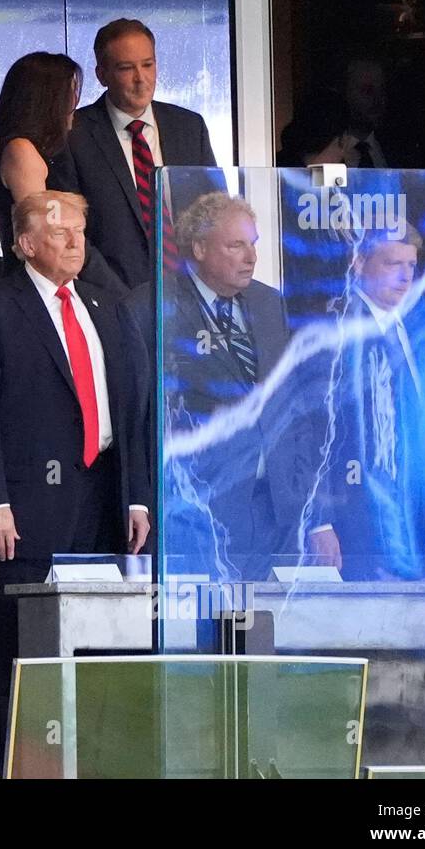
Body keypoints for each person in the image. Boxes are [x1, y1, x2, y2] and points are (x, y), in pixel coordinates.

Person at [0, 189, 151, 770]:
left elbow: (132, 411)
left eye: (80, 232)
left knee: (99, 668)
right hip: (23, 519)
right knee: (21, 676)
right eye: (60, 231)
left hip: (102, 507)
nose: (74, 241)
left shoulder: (104, 306)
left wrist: (137, 498)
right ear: (24, 243)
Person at [125, 193, 296, 580]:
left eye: (253, 244)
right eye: (236, 245)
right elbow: (137, 414)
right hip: (196, 508)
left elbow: (289, 405)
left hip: (272, 508)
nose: (251, 257)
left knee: (264, 633)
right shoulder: (150, 306)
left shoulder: (270, 304)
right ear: (199, 248)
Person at [306, 224, 425, 579]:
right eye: (391, 264)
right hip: (356, 523)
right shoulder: (333, 329)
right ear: (359, 264)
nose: (403, 277)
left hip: (424, 524)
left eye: (411, 266)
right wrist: (319, 522)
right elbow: (309, 432)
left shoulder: (424, 329)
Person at [65, 18, 218, 289]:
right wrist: (119, 295)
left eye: (148, 64)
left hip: (191, 295)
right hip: (109, 298)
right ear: (102, 75)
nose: (141, 79)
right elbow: (72, 232)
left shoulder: (189, 127)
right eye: (126, 68)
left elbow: (216, 211)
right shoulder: (73, 134)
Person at [0, 53, 82, 273]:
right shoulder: (21, 151)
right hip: (35, 286)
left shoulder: (48, 150)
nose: (74, 101)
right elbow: (44, 233)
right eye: (69, 92)